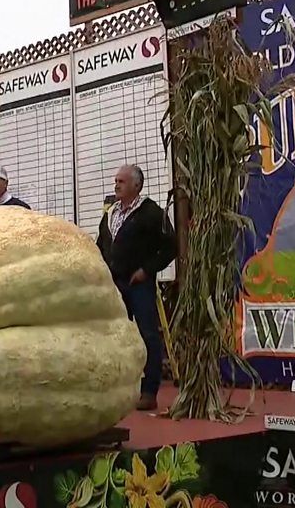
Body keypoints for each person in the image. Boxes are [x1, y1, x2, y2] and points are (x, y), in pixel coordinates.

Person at [96, 165, 176, 412]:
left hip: (138, 284)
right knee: (116, 336)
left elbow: (171, 246)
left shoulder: (150, 212)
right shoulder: (110, 213)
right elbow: (102, 244)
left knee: (147, 335)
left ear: (136, 185)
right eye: (115, 181)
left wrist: (146, 270)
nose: (116, 185)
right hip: (115, 284)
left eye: (121, 181)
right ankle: (119, 390)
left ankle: (149, 391)